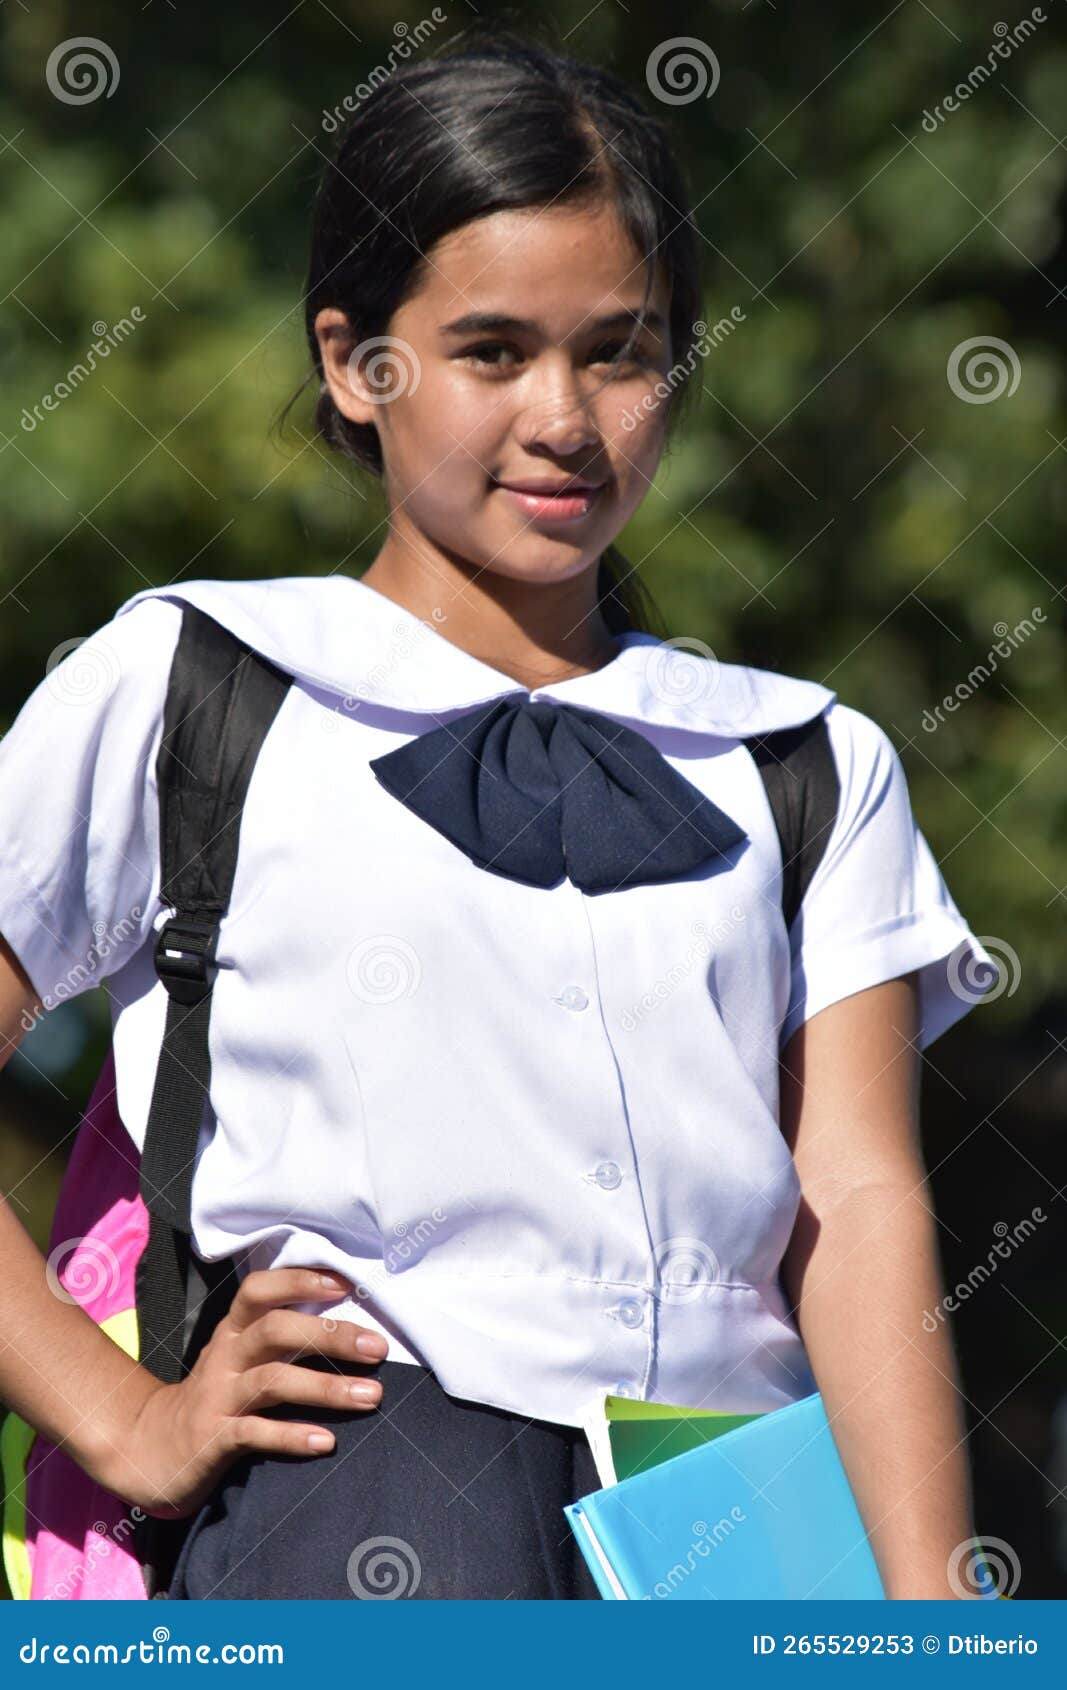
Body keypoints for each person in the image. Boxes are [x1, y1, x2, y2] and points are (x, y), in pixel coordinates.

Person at [0, 30, 999, 1600]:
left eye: (621, 348)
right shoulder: (197, 680)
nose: (566, 414)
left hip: (745, 1519)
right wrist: (120, 1412)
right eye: (491, 350)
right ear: (354, 361)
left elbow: (861, 1201)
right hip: (366, 1492)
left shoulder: (806, 759)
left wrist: (938, 1611)